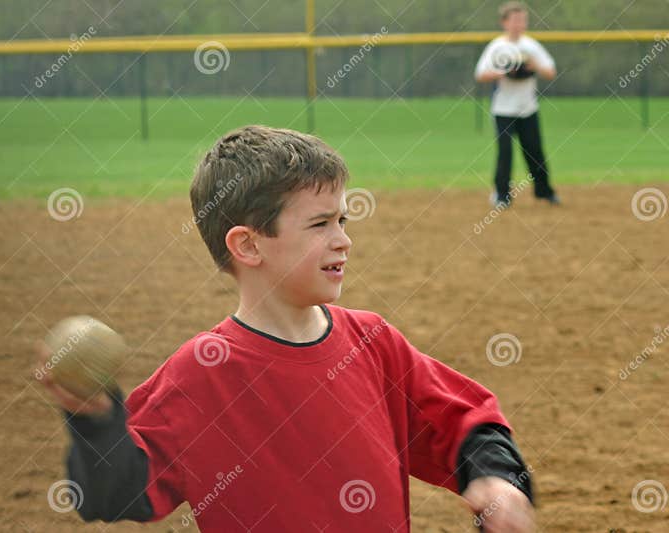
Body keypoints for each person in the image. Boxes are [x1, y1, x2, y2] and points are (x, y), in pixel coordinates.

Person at [36, 125, 535, 532]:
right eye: (320, 224)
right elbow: (120, 494)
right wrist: (96, 424)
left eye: (343, 221)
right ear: (248, 246)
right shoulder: (202, 373)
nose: (343, 240)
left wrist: (498, 480)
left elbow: (465, 421)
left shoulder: (371, 342)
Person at [475, 1, 559, 208]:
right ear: (504, 22)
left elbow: (550, 72)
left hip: (528, 108)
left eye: (522, 20)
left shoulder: (531, 46)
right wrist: (504, 72)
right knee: (505, 153)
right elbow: (480, 74)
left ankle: (545, 192)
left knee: (534, 151)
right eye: (515, 20)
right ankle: (502, 195)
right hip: (503, 110)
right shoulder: (497, 47)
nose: (519, 24)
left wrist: (533, 65)